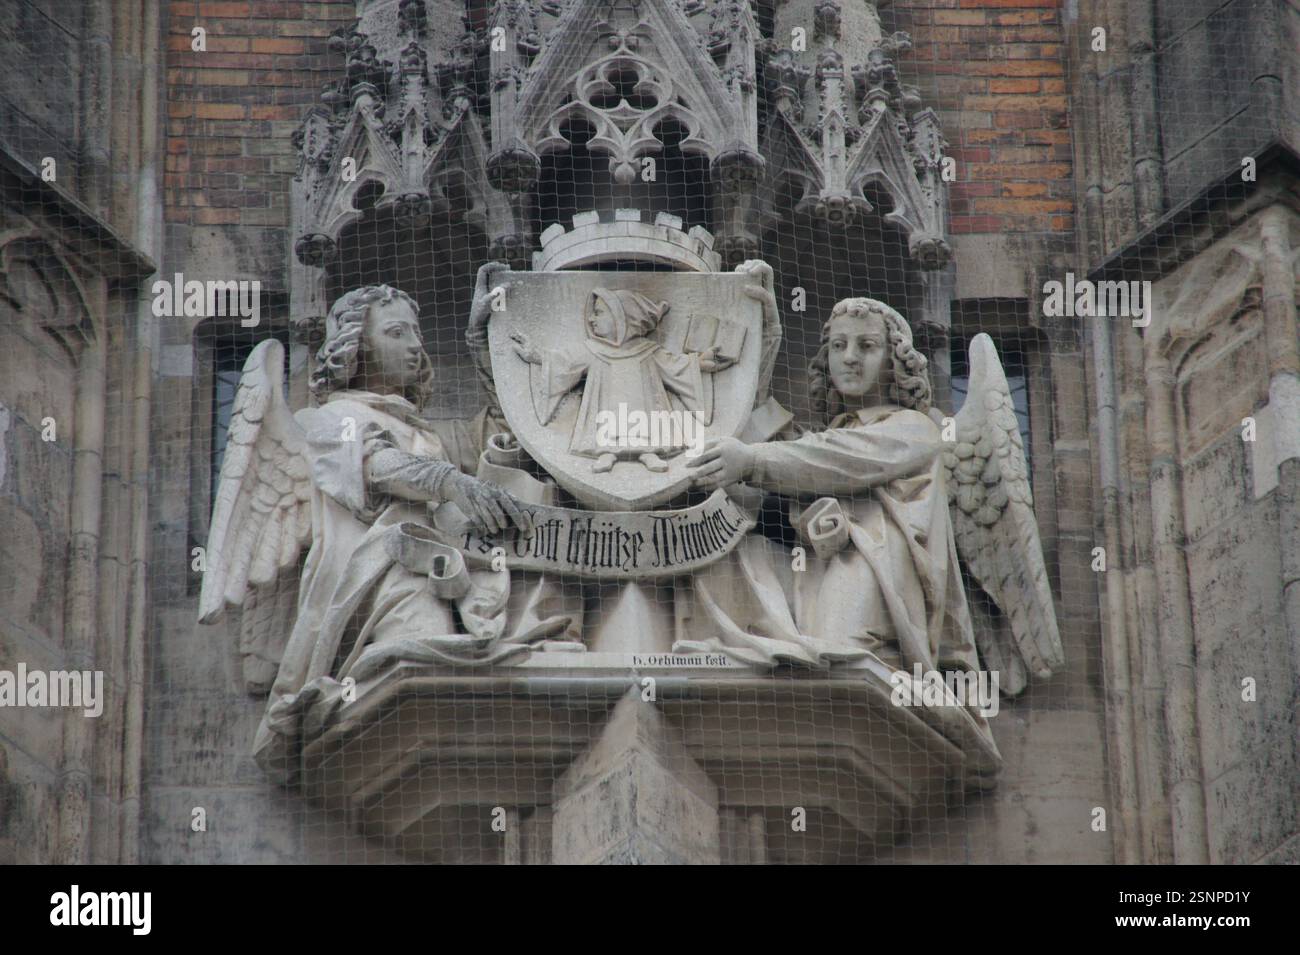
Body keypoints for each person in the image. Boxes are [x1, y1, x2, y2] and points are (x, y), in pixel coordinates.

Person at [684, 297, 982, 679]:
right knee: (728, 554)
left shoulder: (917, 428)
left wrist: (752, 461)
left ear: (895, 363)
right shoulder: (821, 439)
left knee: (843, 659)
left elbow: (833, 461)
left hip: (871, 576)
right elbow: (758, 427)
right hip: (813, 568)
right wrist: (767, 336)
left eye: (867, 346)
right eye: (839, 346)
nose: (850, 358)